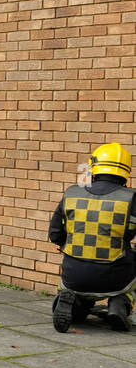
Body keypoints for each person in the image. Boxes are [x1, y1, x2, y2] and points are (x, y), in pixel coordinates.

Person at [48, 142, 136, 332]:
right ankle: (120, 303)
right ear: (126, 171)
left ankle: (71, 300)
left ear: (93, 167)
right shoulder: (132, 198)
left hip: (74, 273)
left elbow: (54, 234)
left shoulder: (72, 193)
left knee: (75, 283)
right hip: (115, 275)